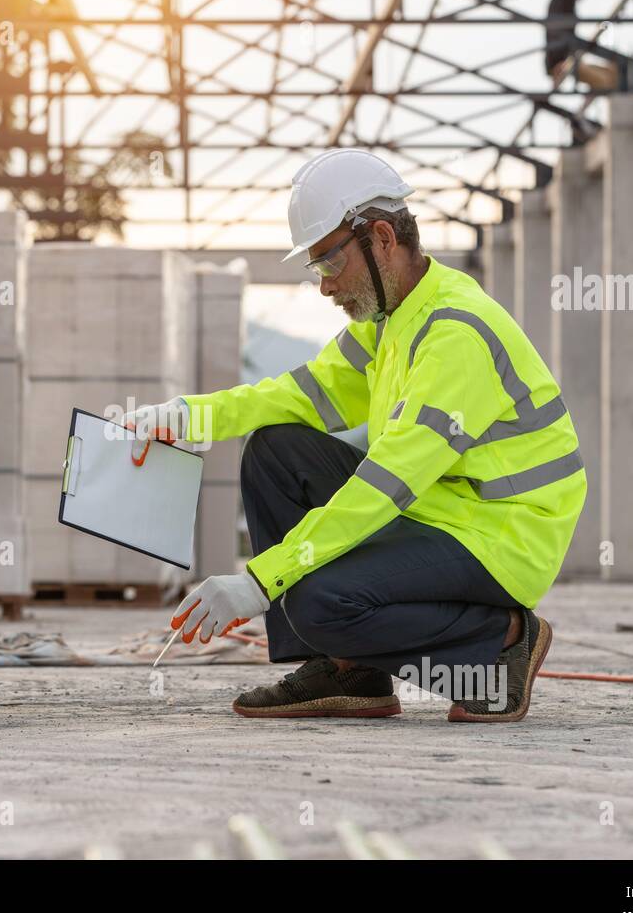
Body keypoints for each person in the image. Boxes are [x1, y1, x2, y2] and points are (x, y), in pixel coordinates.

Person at [126, 149, 585, 723]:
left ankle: (500, 642)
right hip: (439, 512)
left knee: (317, 601)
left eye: (329, 263)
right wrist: (188, 416)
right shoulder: (390, 319)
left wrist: (260, 581)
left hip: (500, 536)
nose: (324, 287)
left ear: (383, 238)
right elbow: (301, 396)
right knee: (275, 450)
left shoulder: (455, 335)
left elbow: (385, 485)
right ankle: (349, 670)